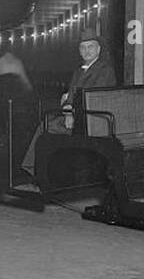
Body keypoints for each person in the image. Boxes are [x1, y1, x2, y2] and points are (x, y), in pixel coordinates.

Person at [19, 30, 119, 176]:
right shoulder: (79, 71)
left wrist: (69, 105)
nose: (87, 51)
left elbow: (91, 96)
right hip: (79, 115)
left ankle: (36, 170)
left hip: (93, 120)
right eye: (83, 48)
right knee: (46, 125)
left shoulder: (104, 70)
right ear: (79, 51)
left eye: (90, 47)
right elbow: (72, 93)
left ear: (98, 49)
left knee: (47, 128)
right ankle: (41, 170)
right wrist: (67, 106)